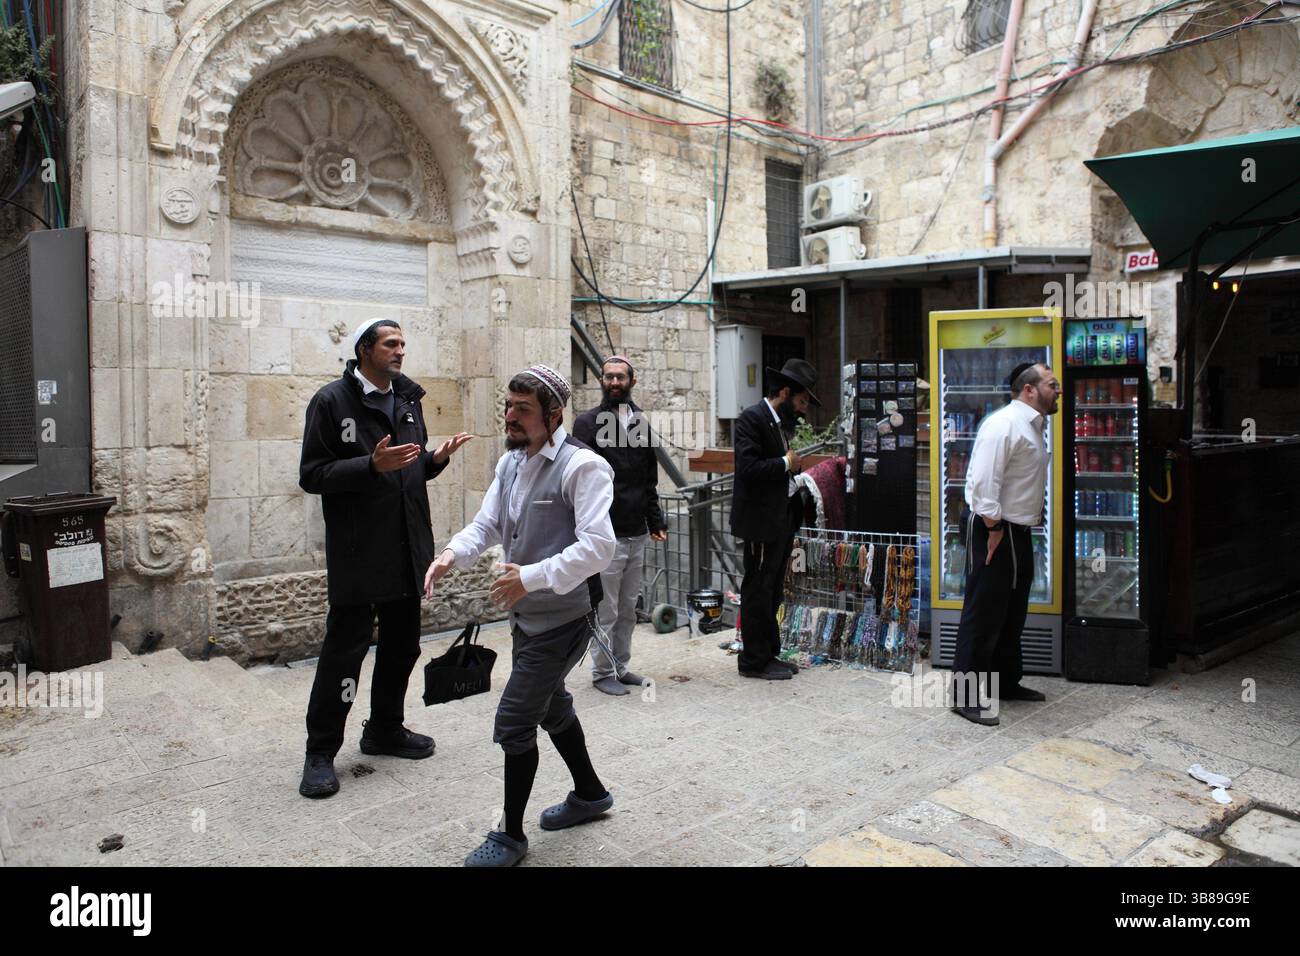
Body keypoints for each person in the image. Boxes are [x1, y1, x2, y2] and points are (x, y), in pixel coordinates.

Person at [425, 364, 617, 867]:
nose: (510, 416)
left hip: (565, 617)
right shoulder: (511, 462)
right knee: (550, 704)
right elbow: (488, 522)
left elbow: (599, 548)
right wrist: (452, 553)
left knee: (514, 721)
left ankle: (510, 837)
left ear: (553, 415)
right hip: (526, 615)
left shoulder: (583, 467)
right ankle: (591, 794)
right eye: (507, 406)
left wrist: (528, 577)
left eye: (522, 409)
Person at [297, 318, 472, 798]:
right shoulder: (332, 402)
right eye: (390, 344)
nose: (399, 351)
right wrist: (368, 465)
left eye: (402, 344)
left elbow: (408, 471)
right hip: (360, 551)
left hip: (407, 546)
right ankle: (320, 752)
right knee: (344, 655)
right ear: (364, 350)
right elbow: (312, 474)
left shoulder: (407, 399)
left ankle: (384, 729)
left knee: (403, 646)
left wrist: (433, 461)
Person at [950, 361, 1060, 726]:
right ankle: (964, 696)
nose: (1058, 389)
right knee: (982, 612)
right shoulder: (1003, 425)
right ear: (1029, 389)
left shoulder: (1033, 426)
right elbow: (982, 484)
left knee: (1013, 612)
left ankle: (1004, 682)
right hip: (994, 529)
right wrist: (994, 529)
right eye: (1051, 384)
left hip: (1017, 531)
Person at [572, 355, 668, 696]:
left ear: (632, 382)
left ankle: (620, 666)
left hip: (637, 531)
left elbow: (649, 478)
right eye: (609, 377)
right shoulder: (586, 424)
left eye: (620, 377)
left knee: (628, 608)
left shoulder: (640, 422)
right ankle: (601, 673)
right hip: (604, 534)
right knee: (606, 609)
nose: (614, 382)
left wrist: (655, 519)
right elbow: (578, 481)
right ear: (602, 380)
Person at [729, 358, 820, 680]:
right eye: (801, 400)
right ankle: (753, 661)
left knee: (772, 590)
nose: (803, 409)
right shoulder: (751, 419)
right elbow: (749, 469)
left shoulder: (778, 424)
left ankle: (770, 653)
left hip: (780, 520)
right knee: (758, 589)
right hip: (760, 523)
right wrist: (786, 462)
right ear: (784, 392)